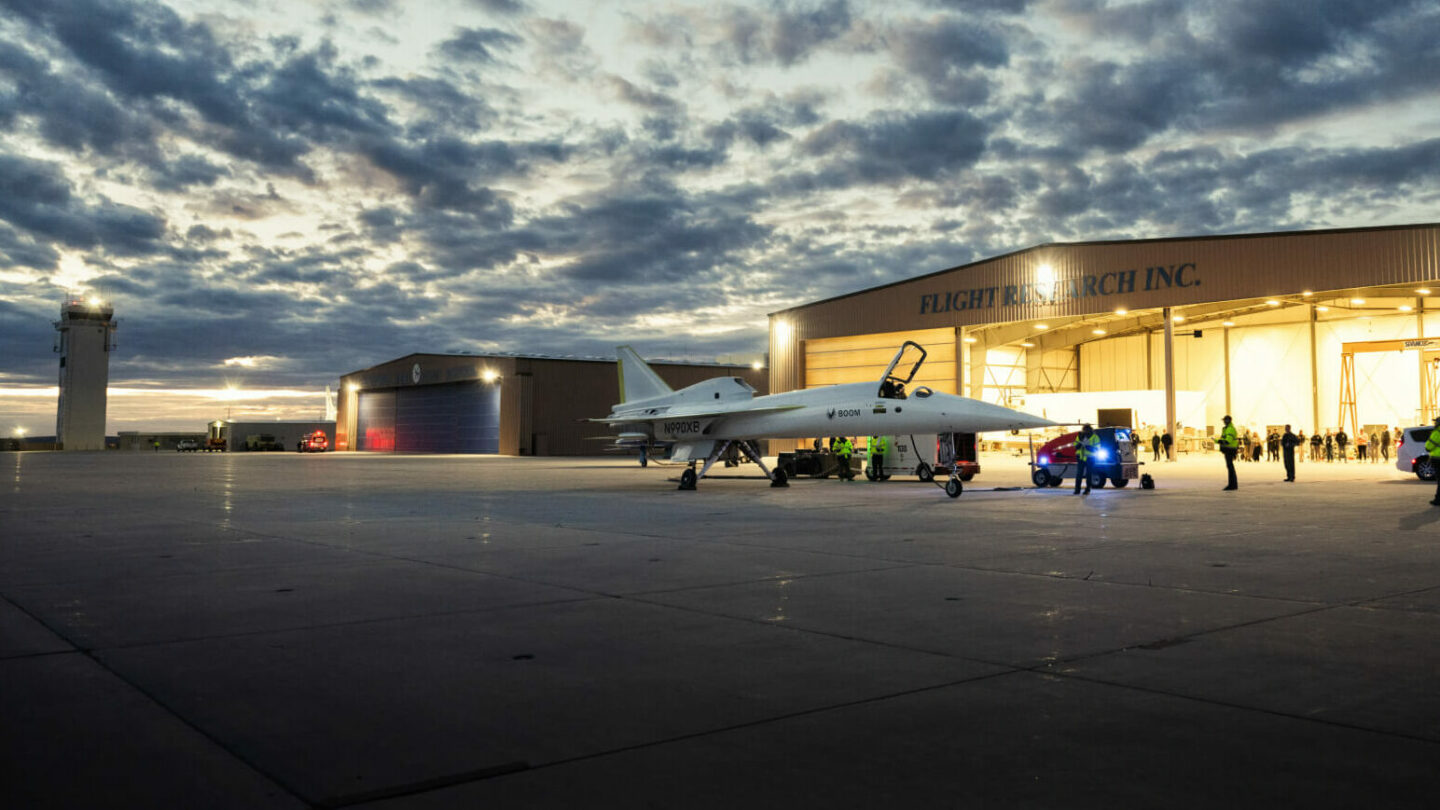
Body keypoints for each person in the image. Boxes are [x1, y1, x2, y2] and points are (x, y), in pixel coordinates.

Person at [1073, 423, 1099, 494]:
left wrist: (1087, 446)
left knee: (1088, 475)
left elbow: (1097, 448)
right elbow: (1075, 446)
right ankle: (1078, 490)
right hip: (1081, 458)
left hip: (1090, 458)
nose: (1085, 431)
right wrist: (1079, 444)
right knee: (1080, 474)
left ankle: (1087, 490)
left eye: (1086, 430)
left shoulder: (1094, 437)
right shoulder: (1080, 436)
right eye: (1085, 430)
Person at [1216, 415, 1239, 490]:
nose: (1223, 422)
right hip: (1228, 450)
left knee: (1230, 467)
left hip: (1230, 450)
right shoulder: (1226, 429)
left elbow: (1228, 440)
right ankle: (1232, 484)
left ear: (1227, 421)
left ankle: (1232, 485)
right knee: (1230, 467)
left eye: (1224, 420)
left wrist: (1219, 441)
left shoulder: (1230, 429)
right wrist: (1216, 440)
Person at [1428, 419, 1440, 505]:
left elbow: (1429, 446)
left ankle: (1438, 500)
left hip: (1437, 458)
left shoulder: (1437, 432)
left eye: (1436, 422)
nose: (1434, 423)